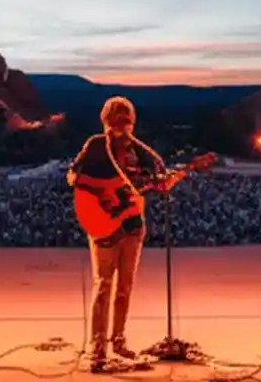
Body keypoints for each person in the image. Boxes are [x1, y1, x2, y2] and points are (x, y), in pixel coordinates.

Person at [67, 96, 165, 370]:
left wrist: (162, 183)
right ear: (107, 122)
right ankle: (97, 348)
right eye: (118, 122)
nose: (123, 127)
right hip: (104, 223)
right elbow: (73, 177)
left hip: (132, 224)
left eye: (127, 122)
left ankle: (118, 341)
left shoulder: (139, 150)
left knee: (125, 287)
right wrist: (104, 191)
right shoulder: (96, 145)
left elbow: (152, 180)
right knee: (103, 285)